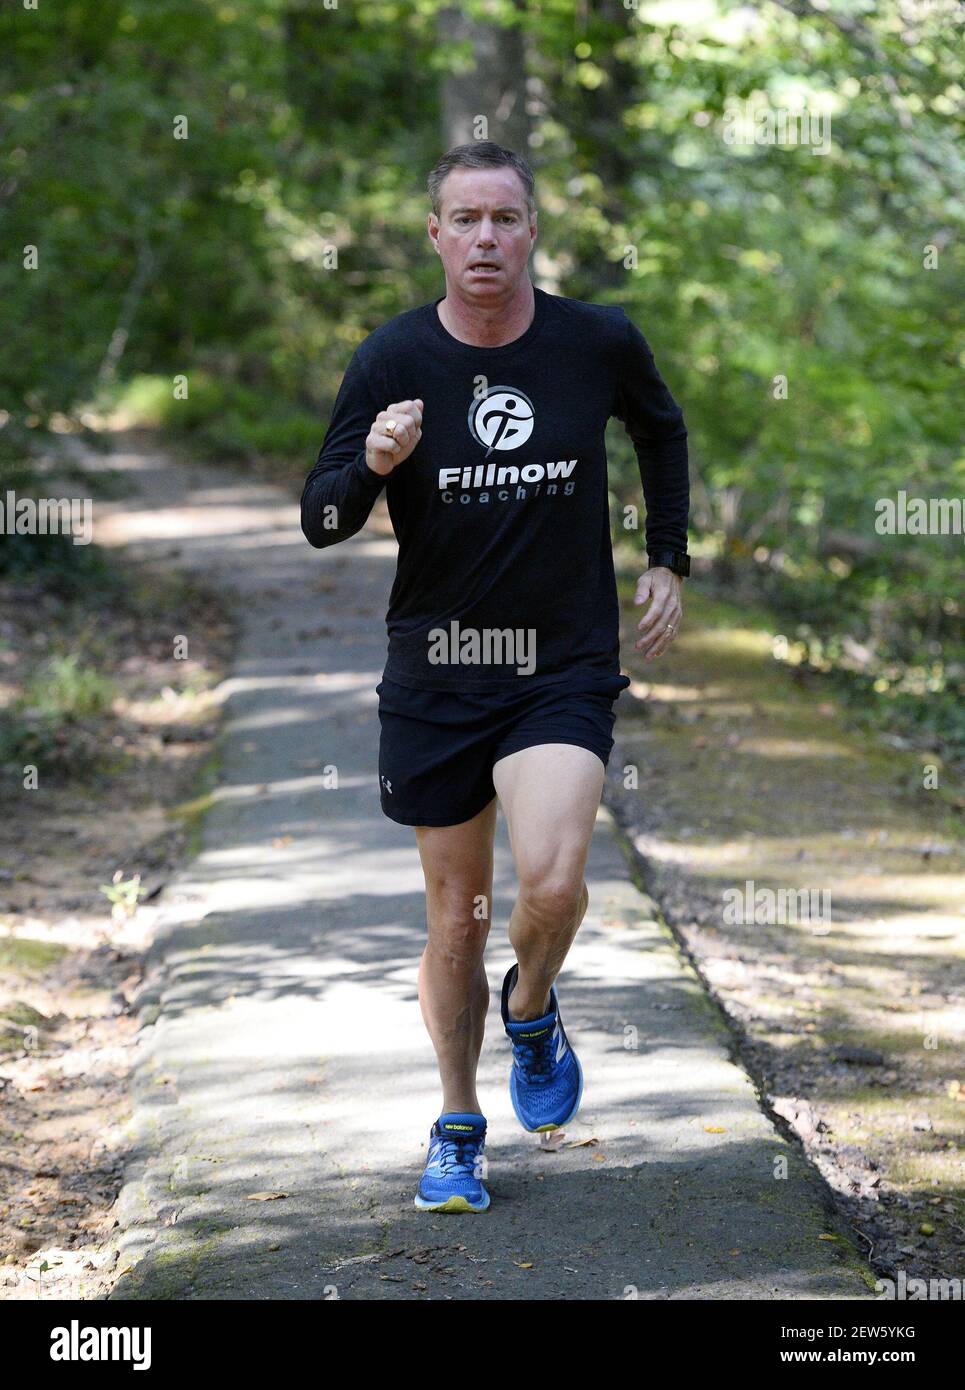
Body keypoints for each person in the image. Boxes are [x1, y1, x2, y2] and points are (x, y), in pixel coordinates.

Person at [301, 140, 690, 1213]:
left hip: (556, 664)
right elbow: (320, 520)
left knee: (554, 880)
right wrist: (372, 466)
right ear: (433, 235)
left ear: (531, 231)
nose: (484, 238)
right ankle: (458, 1125)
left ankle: (532, 1001)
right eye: (463, 220)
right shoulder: (389, 360)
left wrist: (665, 553)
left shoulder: (594, 341)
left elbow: (661, 430)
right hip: (434, 673)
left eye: (504, 219)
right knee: (456, 920)